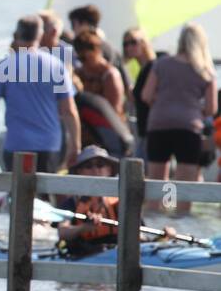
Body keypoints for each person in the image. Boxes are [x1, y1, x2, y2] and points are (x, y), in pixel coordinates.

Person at [0, 15, 80, 173]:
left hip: (17, 143)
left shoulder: (4, 67)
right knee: (44, 196)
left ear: (16, 35)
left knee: (17, 194)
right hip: (49, 144)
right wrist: (75, 146)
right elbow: (68, 111)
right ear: (40, 35)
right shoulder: (56, 66)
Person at [142, 23, 218, 215]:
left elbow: (146, 95)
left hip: (159, 124)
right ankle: (179, 219)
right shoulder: (205, 71)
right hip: (188, 126)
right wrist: (192, 108)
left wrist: (164, 104)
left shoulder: (161, 64)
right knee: (184, 184)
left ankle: (157, 218)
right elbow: (211, 109)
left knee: (157, 180)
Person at [53, 146, 121, 258]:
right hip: (84, 254)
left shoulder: (121, 202)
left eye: (100, 165)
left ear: (109, 170)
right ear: (79, 172)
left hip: (116, 254)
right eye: (88, 166)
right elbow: (62, 232)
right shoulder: (72, 203)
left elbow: (139, 235)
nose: (95, 170)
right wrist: (84, 227)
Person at [124, 28, 167, 159]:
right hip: (144, 129)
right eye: (126, 44)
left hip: (153, 129)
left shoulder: (153, 66)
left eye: (134, 42)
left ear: (144, 43)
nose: (129, 47)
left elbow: (150, 97)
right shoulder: (143, 69)